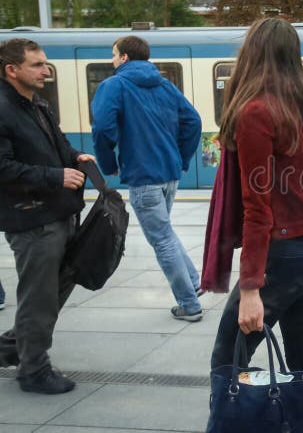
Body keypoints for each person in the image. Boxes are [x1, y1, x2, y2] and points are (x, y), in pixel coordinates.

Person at [207, 18, 303, 432]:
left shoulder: (256, 111)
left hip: (282, 255)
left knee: (227, 359)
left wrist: (250, 288)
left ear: (251, 53)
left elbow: (257, 206)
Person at [0, 38, 95, 394]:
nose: (46, 70)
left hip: (58, 213)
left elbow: (57, 143)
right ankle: (33, 371)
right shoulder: (3, 108)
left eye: (45, 63)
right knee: (39, 298)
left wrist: (74, 157)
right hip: (33, 220)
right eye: (37, 64)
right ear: (12, 70)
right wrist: (55, 176)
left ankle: (13, 346)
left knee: (53, 291)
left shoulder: (35, 104)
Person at [91, 35, 203, 321]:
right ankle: (193, 282)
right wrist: (181, 157)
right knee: (165, 232)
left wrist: (108, 163)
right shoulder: (165, 85)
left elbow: (103, 127)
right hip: (169, 174)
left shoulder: (114, 85)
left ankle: (189, 305)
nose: (113, 60)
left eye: (114, 55)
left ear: (125, 57)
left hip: (144, 175)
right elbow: (193, 121)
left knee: (161, 238)